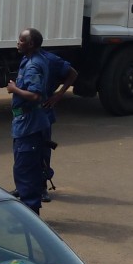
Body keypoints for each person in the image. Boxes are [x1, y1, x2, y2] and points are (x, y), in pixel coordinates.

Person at [7, 28, 51, 216]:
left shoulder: (33, 64)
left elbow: (35, 95)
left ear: (31, 44)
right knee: (28, 170)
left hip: (29, 126)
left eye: (21, 40)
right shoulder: (33, 59)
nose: (18, 42)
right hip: (27, 123)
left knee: (26, 172)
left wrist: (14, 89)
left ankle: (30, 220)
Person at [39, 50, 78, 202]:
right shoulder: (26, 59)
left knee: (42, 149)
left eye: (22, 40)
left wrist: (59, 94)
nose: (18, 43)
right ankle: (24, 185)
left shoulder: (50, 60)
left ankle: (41, 186)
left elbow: (73, 73)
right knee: (24, 151)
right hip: (27, 114)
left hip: (43, 112)